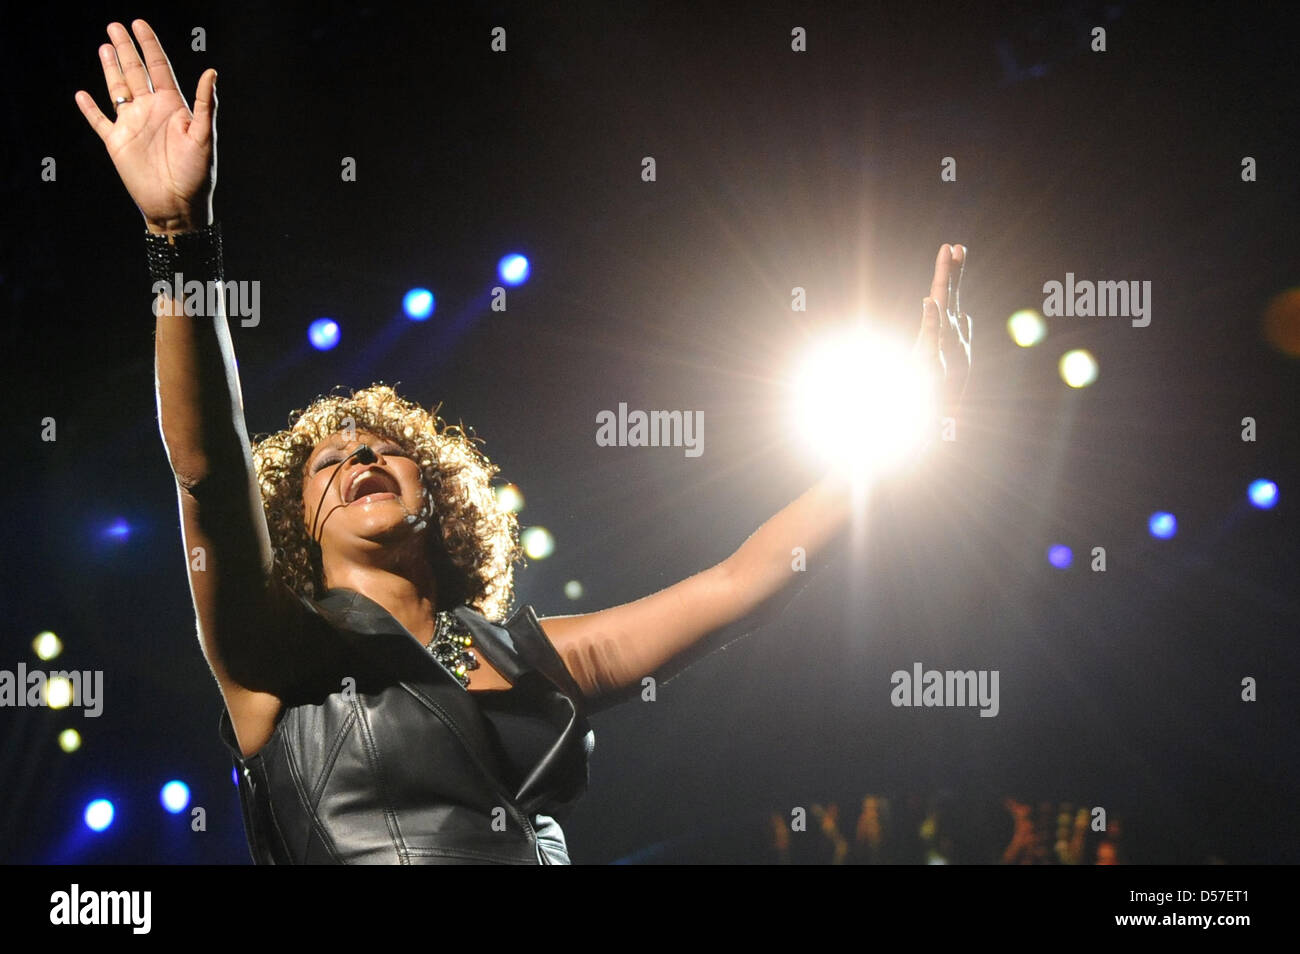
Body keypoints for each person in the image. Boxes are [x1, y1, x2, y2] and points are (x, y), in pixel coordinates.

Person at [75, 19, 972, 864]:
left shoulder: (513, 654)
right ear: (295, 522)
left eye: (383, 450)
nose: (358, 460)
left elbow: (741, 581)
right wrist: (177, 239)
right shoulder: (279, 655)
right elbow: (206, 470)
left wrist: (899, 453)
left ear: (438, 495)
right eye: (327, 462)